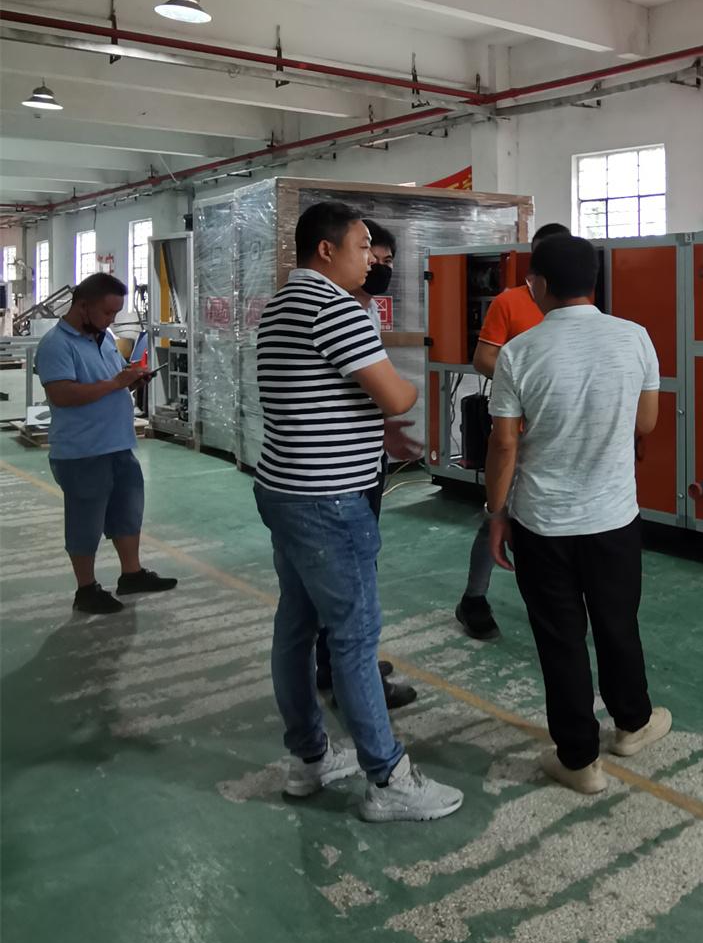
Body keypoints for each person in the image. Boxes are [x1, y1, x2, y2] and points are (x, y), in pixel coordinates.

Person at [254, 201, 462, 821]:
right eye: (363, 245)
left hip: (285, 489)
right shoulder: (336, 308)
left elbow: (319, 396)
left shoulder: (281, 306)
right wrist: (410, 385)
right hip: (331, 500)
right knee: (354, 636)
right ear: (327, 250)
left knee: (297, 627)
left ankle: (310, 758)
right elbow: (396, 395)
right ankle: (388, 778)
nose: (371, 259)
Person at [484, 232, 670, 795]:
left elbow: (505, 444)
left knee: (560, 639)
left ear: (537, 285)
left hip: (543, 523)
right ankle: (632, 724)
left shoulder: (519, 353)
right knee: (618, 623)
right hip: (613, 518)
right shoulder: (635, 337)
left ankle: (579, 760)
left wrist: (497, 514)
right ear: (593, 282)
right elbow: (645, 423)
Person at [313, 218, 418, 713]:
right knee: (350, 578)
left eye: (387, 260)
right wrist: (402, 400)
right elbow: (391, 393)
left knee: (355, 572)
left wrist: (385, 429)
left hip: (361, 459)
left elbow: (358, 390)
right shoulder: (337, 312)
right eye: (372, 255)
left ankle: (342, 663)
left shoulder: (364, 308)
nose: (379, 267)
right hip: (339, 474)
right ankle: (348, 679)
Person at [454, 222, 569, 640]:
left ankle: (554, 600)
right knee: (498, 514)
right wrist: (527, 383)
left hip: (561, 432)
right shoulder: (510, 302)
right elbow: (483, 359)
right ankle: (474, 598)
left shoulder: (580, 304)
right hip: (517, 429)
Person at [36, 272, 175, 613]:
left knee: (127, 512)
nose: (112, 319)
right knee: (85, 522)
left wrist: (132, 379)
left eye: (115, 312)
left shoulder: (105, 337)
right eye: (107, 312)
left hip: (118, 444)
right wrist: (116, 383)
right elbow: (62, 394)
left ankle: (132, 574)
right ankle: (86, 589)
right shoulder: (56, 345)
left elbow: (112, 378)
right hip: (83, 451)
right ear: (83, 306)